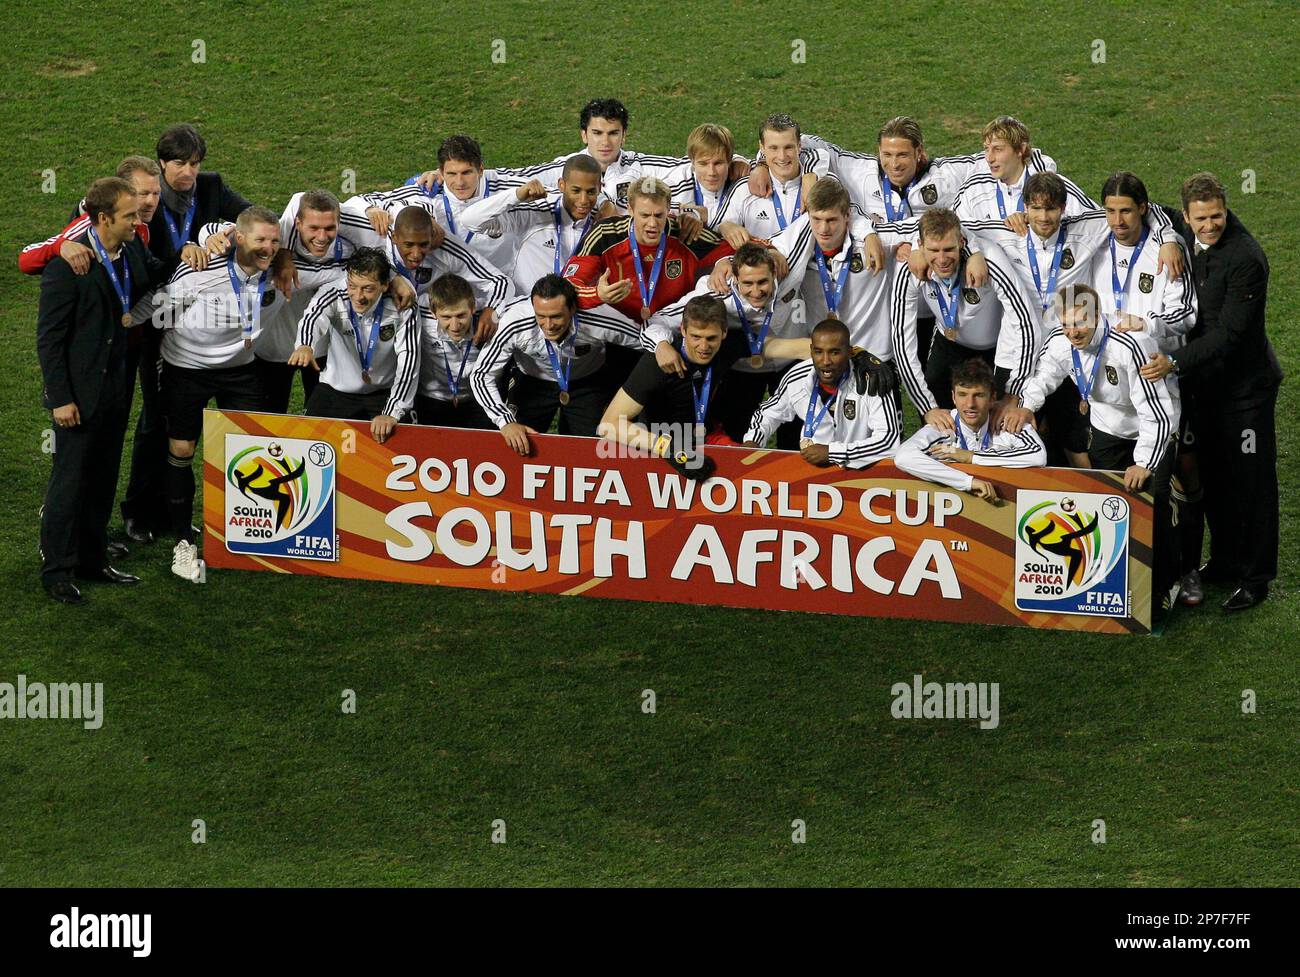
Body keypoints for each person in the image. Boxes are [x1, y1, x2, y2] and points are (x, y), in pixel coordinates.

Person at [1139, 172, 1281, 612]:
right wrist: (1165, 238)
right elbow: (1150, 212)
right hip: (1206, 388)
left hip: (1245, 393)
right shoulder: (1180, 228)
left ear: (1225, 210)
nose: (1209, 226)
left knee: (1253, 483)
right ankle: (1224, 561)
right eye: (1200, 219)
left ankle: (1257, 578)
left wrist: (1175, 362)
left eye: (1216, 216)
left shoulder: (1246, 259)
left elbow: (1230, 334)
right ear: (1187, 215)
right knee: (1216, 476)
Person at [1004, 283, 1180, 604]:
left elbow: (1156, 411)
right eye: (1067, 323)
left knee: (1152, 500)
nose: (1074, 331)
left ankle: (1164, 585)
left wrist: (1143, 462)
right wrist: (1027, 405)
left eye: (1081, 322)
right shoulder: (1060, 341)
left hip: (1153, 425)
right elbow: (1044, 375)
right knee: (1112, 504)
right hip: (1106, 425)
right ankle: (1120, 578)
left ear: (1098, 316)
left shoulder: (1130, 345)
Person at [36, 177, 167, 604]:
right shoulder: (68, 265)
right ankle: (57, 569)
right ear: (103, 218)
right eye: (129, 215)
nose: (138, 221)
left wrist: (190, 254)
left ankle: (92, 560)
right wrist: (60, 399)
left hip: (115, 386)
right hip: (76, 394)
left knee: (103, 476)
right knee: (69, 482)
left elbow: (153, 277)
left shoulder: (131, 249)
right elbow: (50, 340)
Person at [155, 206, 289, 581]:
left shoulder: (278, 273)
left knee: (249, 450)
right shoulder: (199, 271)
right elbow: (160, 312)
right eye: (261, 240)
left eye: (275, 241)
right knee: (182, 449)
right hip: (186, 369)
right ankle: (183, 538)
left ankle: (243, 529)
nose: (269, 248)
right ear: (239, 238)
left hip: (240, 371)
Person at [600, 295, 823, 476]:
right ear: (683, 331)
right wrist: (667, 448)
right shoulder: (658, 363)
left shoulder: (729, 345)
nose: (703, 346)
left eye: (711, 338)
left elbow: (791, 348)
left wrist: (848, 352)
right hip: (660, 445)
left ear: (724, 333)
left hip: (706, 438)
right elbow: (608, 425)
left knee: (753, 473)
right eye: (696, 337)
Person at [646, 243, 808, 445]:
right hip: (740, 366)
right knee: (737, 433)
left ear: (774, 274)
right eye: (748, 284)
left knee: (795, 438)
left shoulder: (788, 269)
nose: (756, 291)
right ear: (735, 278)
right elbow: (654, 321)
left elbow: (806, 225)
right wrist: (661, 344)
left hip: (780, 359)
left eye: (763, 282)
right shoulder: (714, 294)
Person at [889, 207, 1037, 426]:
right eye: (933, 250)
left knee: (998, 420)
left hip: (996, 349)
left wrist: (1015, 392)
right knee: (936, 412)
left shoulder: (990, 261)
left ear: (961, 241)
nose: (941, 259)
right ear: (920, 246)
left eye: (949, 249)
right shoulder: (909, 271)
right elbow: (901, 344)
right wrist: (927, 408)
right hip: (949, 341)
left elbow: (1025, 323)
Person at [469, 275, 643, 453]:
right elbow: (481, 375)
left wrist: (661, 345)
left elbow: (647, 340)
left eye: (556, 316)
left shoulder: (600, 320)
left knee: (594, 451)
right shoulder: (514, 321)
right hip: (531, 383)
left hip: (587, 383)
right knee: (516, 445)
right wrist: (505, 421)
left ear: (573, 308)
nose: (548, 325)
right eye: (541, 316)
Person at [291, 247, 419, 443]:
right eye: (352, 286)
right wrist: (305, 345)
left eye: (368, 288)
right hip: (335, 391)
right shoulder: (334, 292)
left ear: (385, 285)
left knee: (408, 447)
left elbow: (409, 359)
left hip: (383, 394)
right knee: (305, 446)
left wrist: (393, 412)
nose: (358, 296)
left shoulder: (402, 305)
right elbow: (313, 316)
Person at [743, 318, 902, 470]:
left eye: (834, 353)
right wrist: (753, 440)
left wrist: (833, 453)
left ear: (849, 352)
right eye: (818, 352)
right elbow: (768, 413)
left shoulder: (870, 381)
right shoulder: (797, 377)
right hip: (811, 476)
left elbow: (888, 440)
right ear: (811, 350)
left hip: (860, 474)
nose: (825, 361)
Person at [895, 357, 1047, 499]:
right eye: (962, 395)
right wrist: (967, 482)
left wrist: (970, 456)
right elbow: (904, 457)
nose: (970, 404)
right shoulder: (944, 427)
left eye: (979, 395)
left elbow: (1038, 455)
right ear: (953, 397)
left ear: (993, 397)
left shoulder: (1007, 423)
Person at [457, 154, 610, 294]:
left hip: (578, 309)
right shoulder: (533, 212)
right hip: (527, 309)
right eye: (576, 191)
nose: (583, 200)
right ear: (561, 185)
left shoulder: (603, 224)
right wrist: (516, 195)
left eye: (590, 192)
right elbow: (470, 220)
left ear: (599, 189)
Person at [414, 274, 493, 429]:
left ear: (473, 308)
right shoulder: (417, 315)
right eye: (446, 317)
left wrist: (494, 313)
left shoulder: (489, 319)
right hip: (432, 399)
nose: (455, 325)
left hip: (478, 400)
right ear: (433, 312)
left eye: (461, 316)